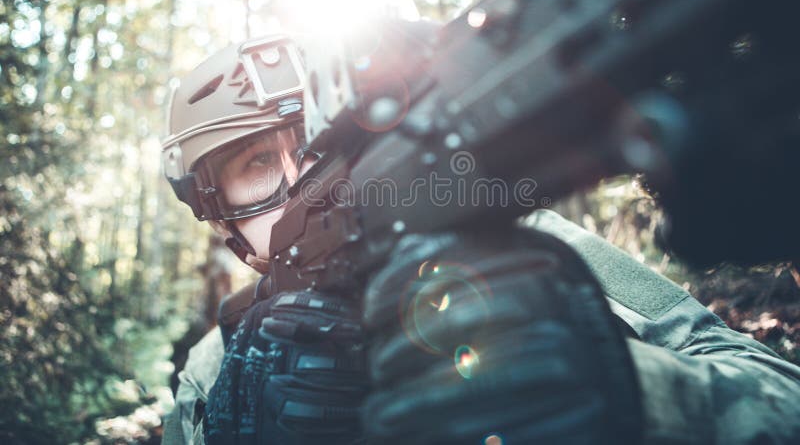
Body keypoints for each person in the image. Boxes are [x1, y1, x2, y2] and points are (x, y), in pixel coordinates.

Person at [161, 34, 800, 444]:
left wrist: (624, 389)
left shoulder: (514, 250)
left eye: (311, 142)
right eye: (256, 165)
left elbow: (779, 393)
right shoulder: (213, 371)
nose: (303, 177)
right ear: (222, 218)